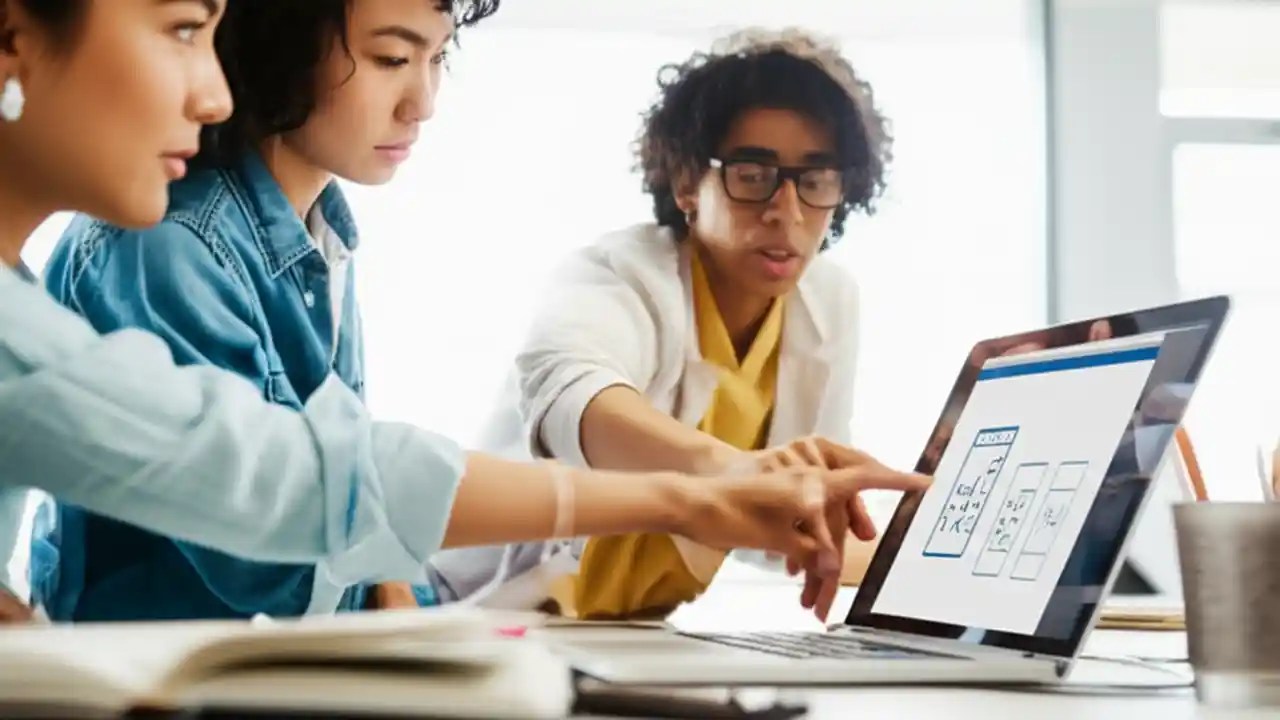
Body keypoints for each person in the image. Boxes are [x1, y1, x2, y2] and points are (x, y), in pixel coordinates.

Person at [0, 0, 928, 622]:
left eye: (818, 185)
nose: (426, 101)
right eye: (393, 57)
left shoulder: (322, 237)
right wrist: (707, 487)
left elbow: (324, 498)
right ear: (688, 182)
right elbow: (297, 500)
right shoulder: (173, 243)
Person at [429, 28, 895, 622]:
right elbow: (572, 396)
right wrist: (734, 472)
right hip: (474, 610)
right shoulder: (618, 275)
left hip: (627, 633)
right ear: (686, 184)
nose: (788, 211)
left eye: (816, 179)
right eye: (752, 175)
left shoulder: (829, 300)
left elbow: (801, 520)